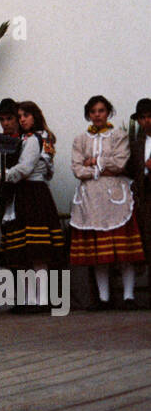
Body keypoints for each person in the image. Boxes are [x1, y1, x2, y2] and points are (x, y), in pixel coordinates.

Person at [0, 100, 65, 310]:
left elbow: (25, 169)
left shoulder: (34, 139)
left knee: (37, 252)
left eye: (24, 116)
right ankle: (30, 300)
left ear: (34, 116)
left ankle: (43, 299)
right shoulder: (35, 139)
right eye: (19, 116)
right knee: (26, 252)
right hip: (24, 195)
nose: (21, 120)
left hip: (32, 194)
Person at [69, 96, 145, 309]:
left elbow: (121, 163)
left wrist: (94, 162)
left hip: (116, 198)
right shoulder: (80, 139)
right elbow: (77, 169)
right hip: (90, 200)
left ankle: (129, 296)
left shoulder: (119, 136)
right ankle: (104, 298)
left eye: (101, 110)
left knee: (124, 252)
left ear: (108, 112)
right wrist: (102, 169)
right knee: (98, 254)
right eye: (93, 111)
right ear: (88, 114)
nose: (97, 115)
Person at [129, 97, 151, 276]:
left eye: (150, 116)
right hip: (143, 197)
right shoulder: (136, 144)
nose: (147, 121)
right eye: (143, 117)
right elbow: (130, 171)